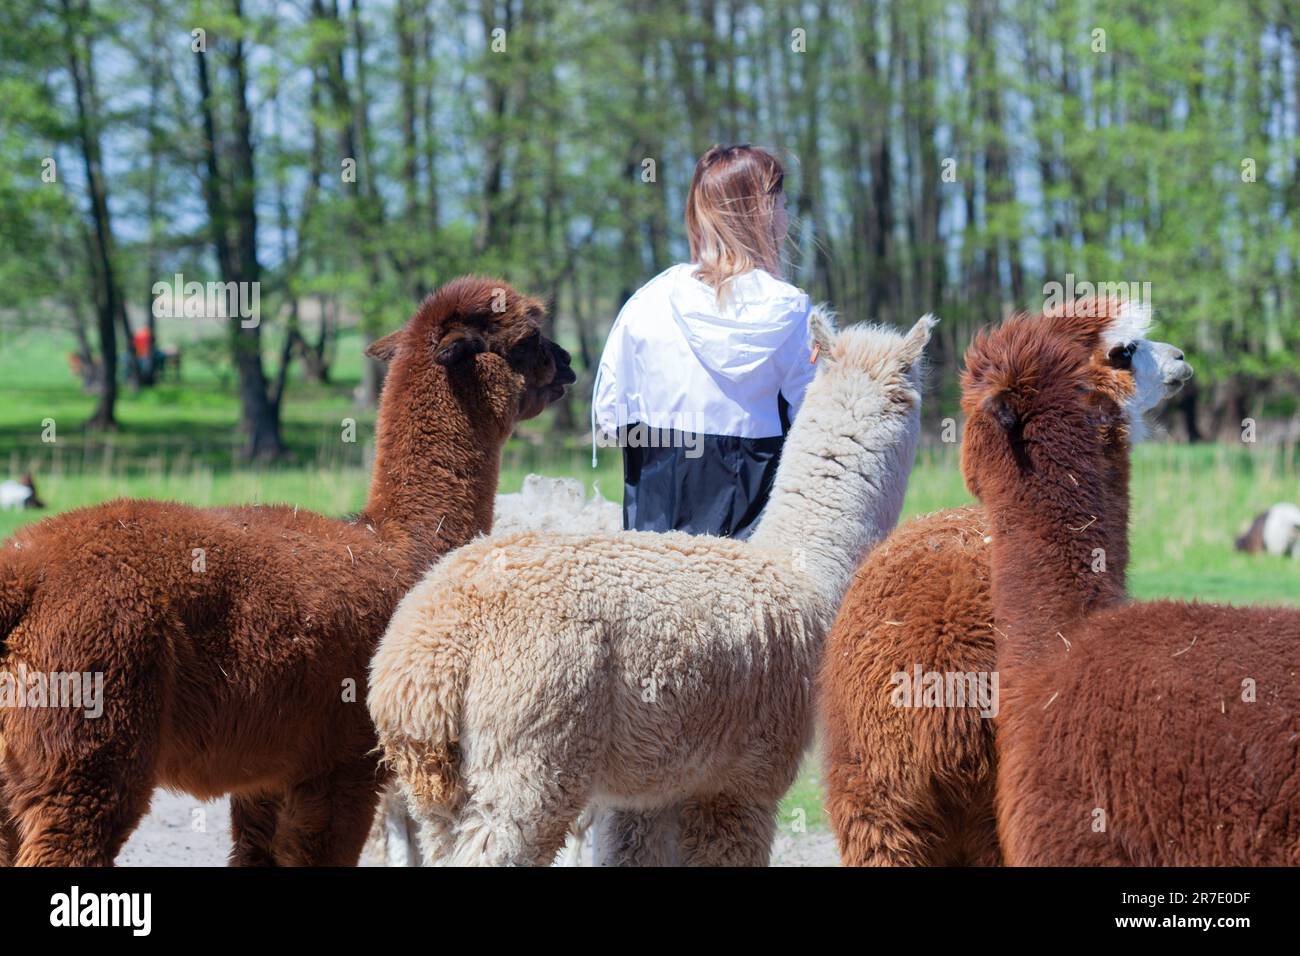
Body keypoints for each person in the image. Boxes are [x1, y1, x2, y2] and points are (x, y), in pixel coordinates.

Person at [592, 144, 815, 538]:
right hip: (754, 545)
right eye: (781, 203)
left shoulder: (647, 302)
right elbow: (815, 424)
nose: (786, 217)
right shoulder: (793, 312)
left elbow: (610, 420)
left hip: (654, 539)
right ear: (760, 211)